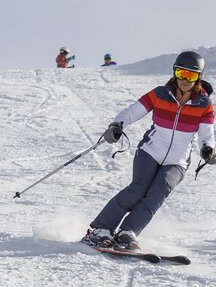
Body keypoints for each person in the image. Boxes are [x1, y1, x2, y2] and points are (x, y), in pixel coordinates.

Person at [82, 49, 215, 252]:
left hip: (177, 161)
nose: (185, 80)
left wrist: (208, 149)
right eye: (181, 73)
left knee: (157, 193)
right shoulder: (160, 94)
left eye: (191, 75)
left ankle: (128, 232)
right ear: (174, 73)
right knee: (138, 189)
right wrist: (117, 125)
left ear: (199, 77)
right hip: (150, 152)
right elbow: (133, 110)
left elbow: (207, 133)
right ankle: (100, 229)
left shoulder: (204, 105)